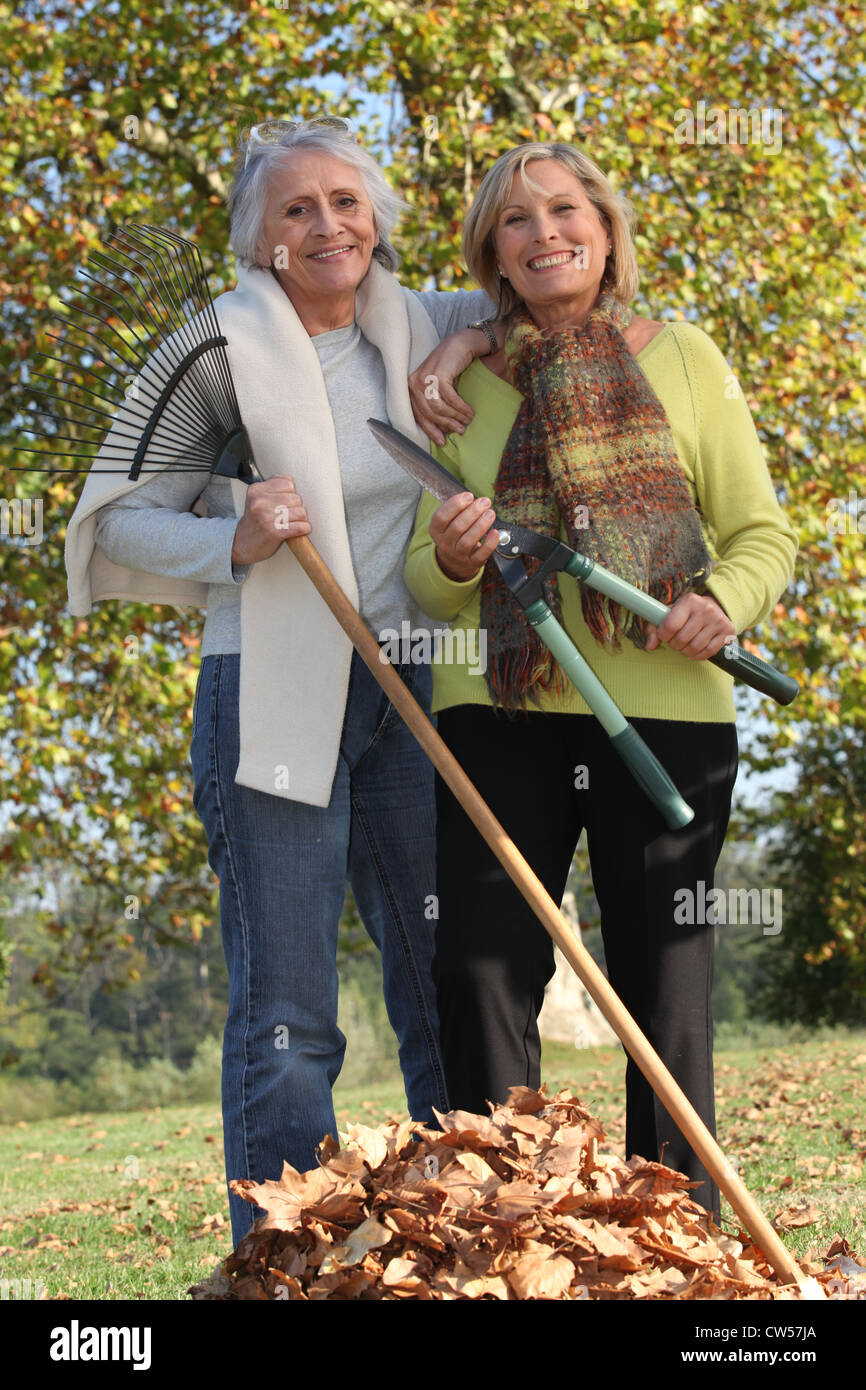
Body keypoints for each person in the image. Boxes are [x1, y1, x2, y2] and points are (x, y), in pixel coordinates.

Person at [63, 117, 497, 1247]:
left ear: (375, 220)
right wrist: (237, 538)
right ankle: (289, 1250)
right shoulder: (210, 352)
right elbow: (116, 518)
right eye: (296, 208)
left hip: (407, 690)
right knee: (292, 1002)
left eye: (344, 202)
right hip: (269, 692)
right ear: (259, 236)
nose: (325, 225)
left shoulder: (419, 322)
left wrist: (450, 355)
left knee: (440, 964)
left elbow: (524, 292)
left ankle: (462, 1222)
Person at [404, 142, 798, 1218]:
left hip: (664, 705)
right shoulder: (463, 384)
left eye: (564, 210)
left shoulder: (683, 356)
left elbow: (761, 531)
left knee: (661, 979)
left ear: (607, 229)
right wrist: (449, 555)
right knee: (480, 968)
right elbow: (420, 584)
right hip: (498, 709)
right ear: (492, 251)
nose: (544, 234)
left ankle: (670, 1233)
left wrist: (724, 601)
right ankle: (498, 1222)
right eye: (515, 221)